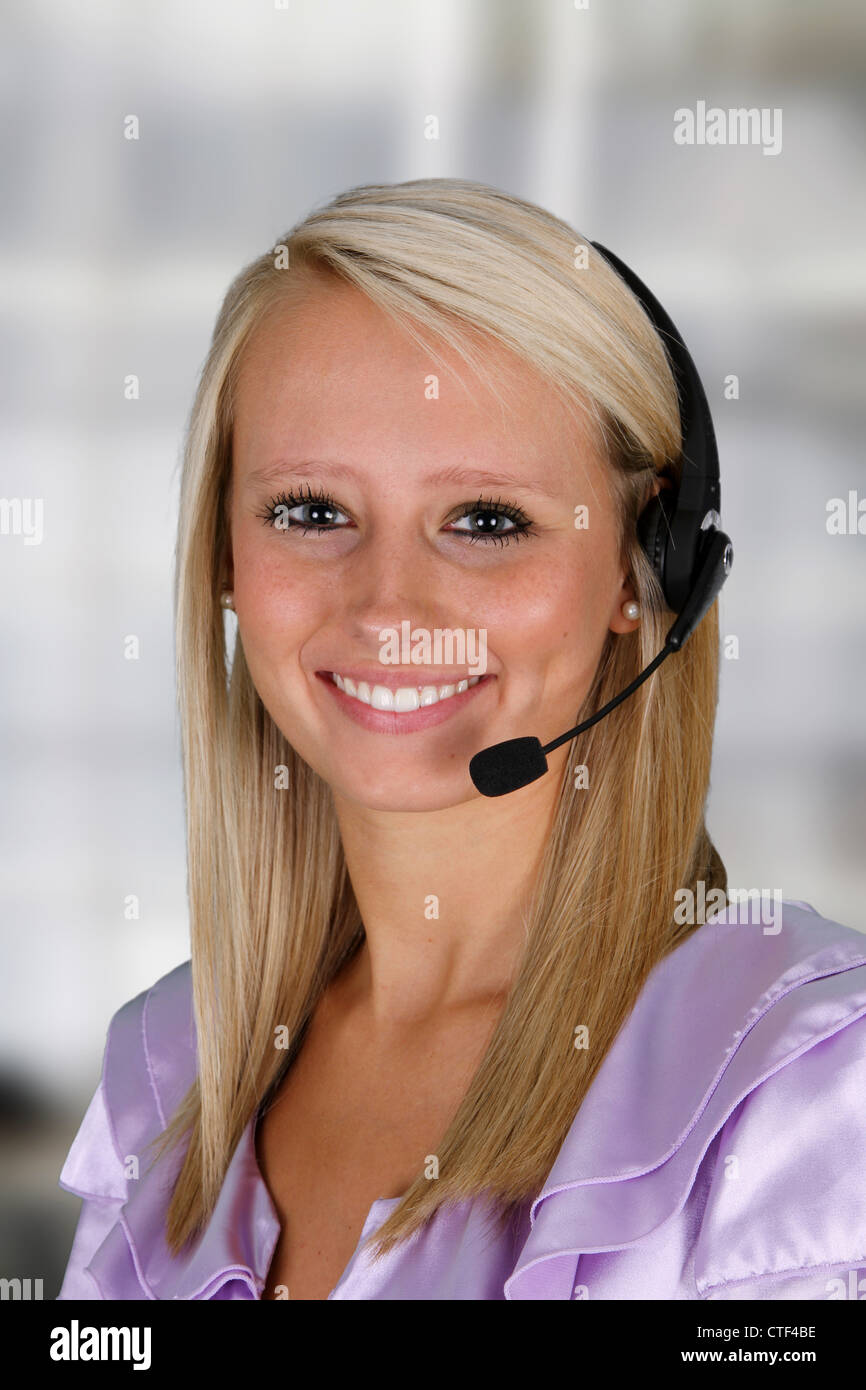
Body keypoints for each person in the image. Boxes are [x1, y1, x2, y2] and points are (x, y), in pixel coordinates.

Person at [56, 178, 866, 1301]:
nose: (388, 607)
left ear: (648, 571)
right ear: (224, 561)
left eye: (486, 521)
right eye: (309, 510)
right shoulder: (165, 1079)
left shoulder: (808, 1090)